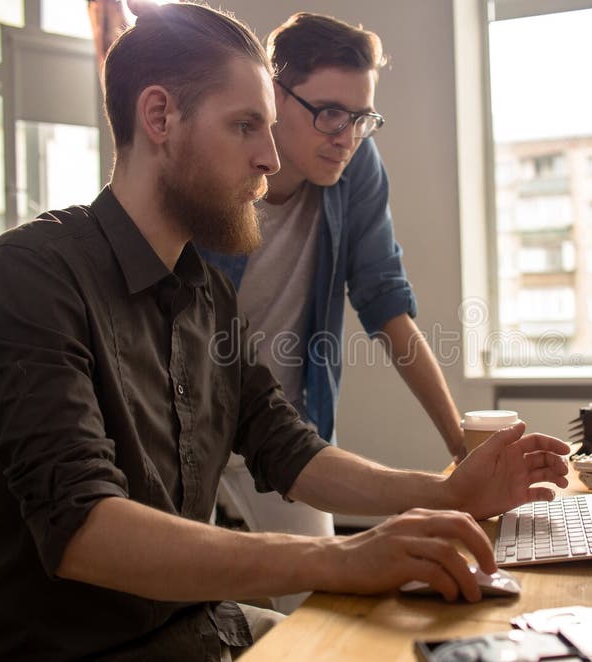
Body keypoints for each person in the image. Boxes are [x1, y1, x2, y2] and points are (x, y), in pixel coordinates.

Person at [0, 4, 569, 659]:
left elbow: (287, 446)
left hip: (202, 630)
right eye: (247, 126)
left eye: (271, 128)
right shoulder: (32, 276)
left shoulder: (205, 293)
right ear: (160, 116)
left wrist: (445, 491)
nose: (268, 156)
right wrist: (339, 557)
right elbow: (84, 529)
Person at [198, 12, 468, 610]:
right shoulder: (213, 172)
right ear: (272, 94)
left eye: (360, 117)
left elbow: (386, 304)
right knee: (169, 606)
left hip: (283, 427)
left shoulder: (355, 170)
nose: (345, 134)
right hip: (181, 420)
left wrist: (459, 444)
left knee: (316, 610)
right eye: (328, 112)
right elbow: (123, 318)